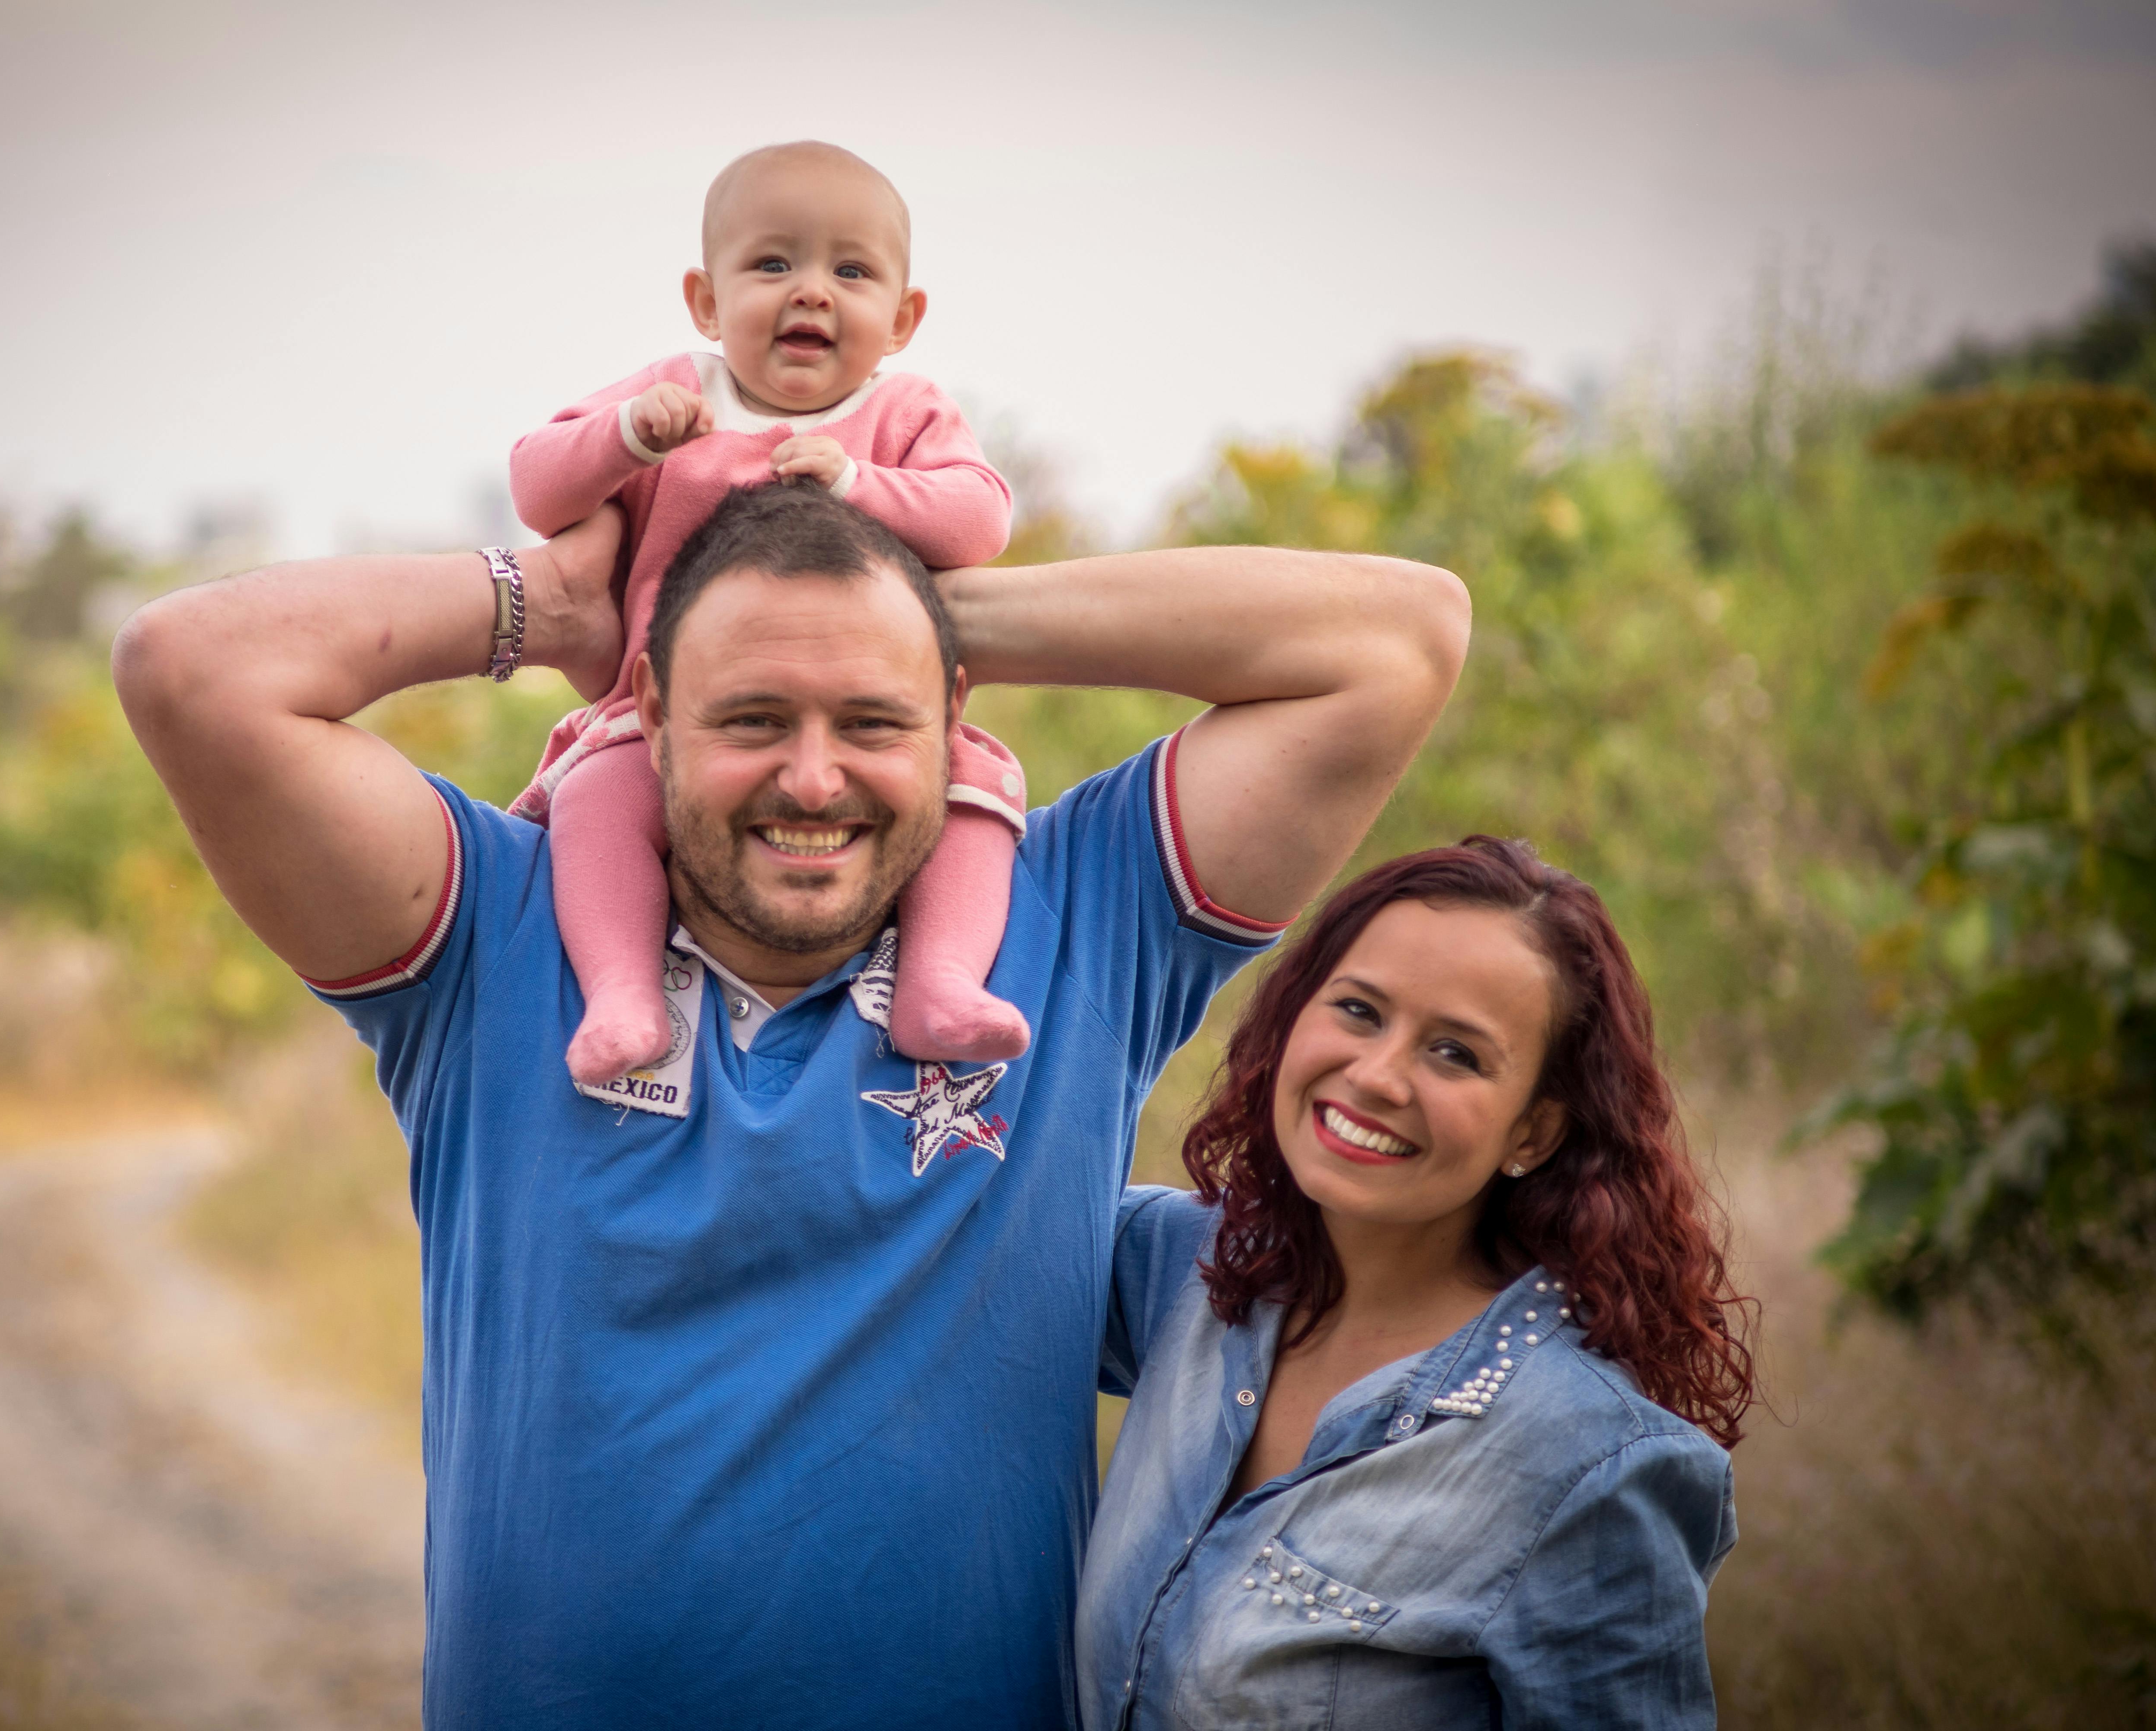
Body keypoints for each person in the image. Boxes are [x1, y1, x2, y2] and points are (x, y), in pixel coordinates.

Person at [109, 477, 1468, 1729]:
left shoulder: (1077, 919)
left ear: (952, 720)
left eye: (874, 721)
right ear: (653, 713)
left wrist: (936, 613)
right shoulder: (492, 936)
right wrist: (554, 602)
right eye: (754, 718)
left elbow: (1400, 640)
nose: (813, 780)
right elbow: (193, 668)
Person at [1078, 839, 1754, 1731]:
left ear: (1534, 1132)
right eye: (1358, 1010)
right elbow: (949, 1228)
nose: (1376, 1075)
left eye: (1455, 1054)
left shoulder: (1590, 1462)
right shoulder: (1183, 1268)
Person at [509, 140, 1023, 1087]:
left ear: (903, 318)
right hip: (670, 717)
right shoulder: (680, 394)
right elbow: (536, 487)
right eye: (774, 263)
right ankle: (622, 995)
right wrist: (626, 439)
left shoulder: (901, 411)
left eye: (852, 271)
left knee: (976, 801)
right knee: (597, 801)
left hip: (871, 719)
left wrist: (861, 483)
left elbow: (981, 517)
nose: (812, 292)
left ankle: (941, 984)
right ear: (707, 302)